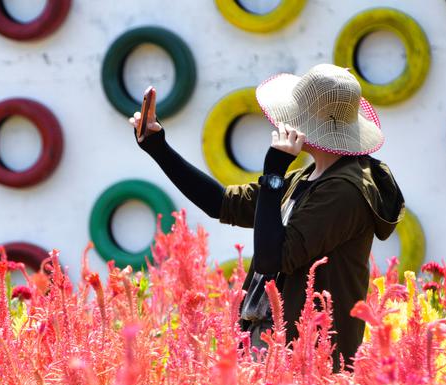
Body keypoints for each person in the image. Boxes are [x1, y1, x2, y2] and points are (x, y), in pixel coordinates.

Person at [132, 64, 404, 368]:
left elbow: (272, 259)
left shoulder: (344, 191)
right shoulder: (307, 177)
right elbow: (221, 203)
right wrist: (159, 148)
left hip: (307, 362)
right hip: (269, 347)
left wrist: (273, 173)